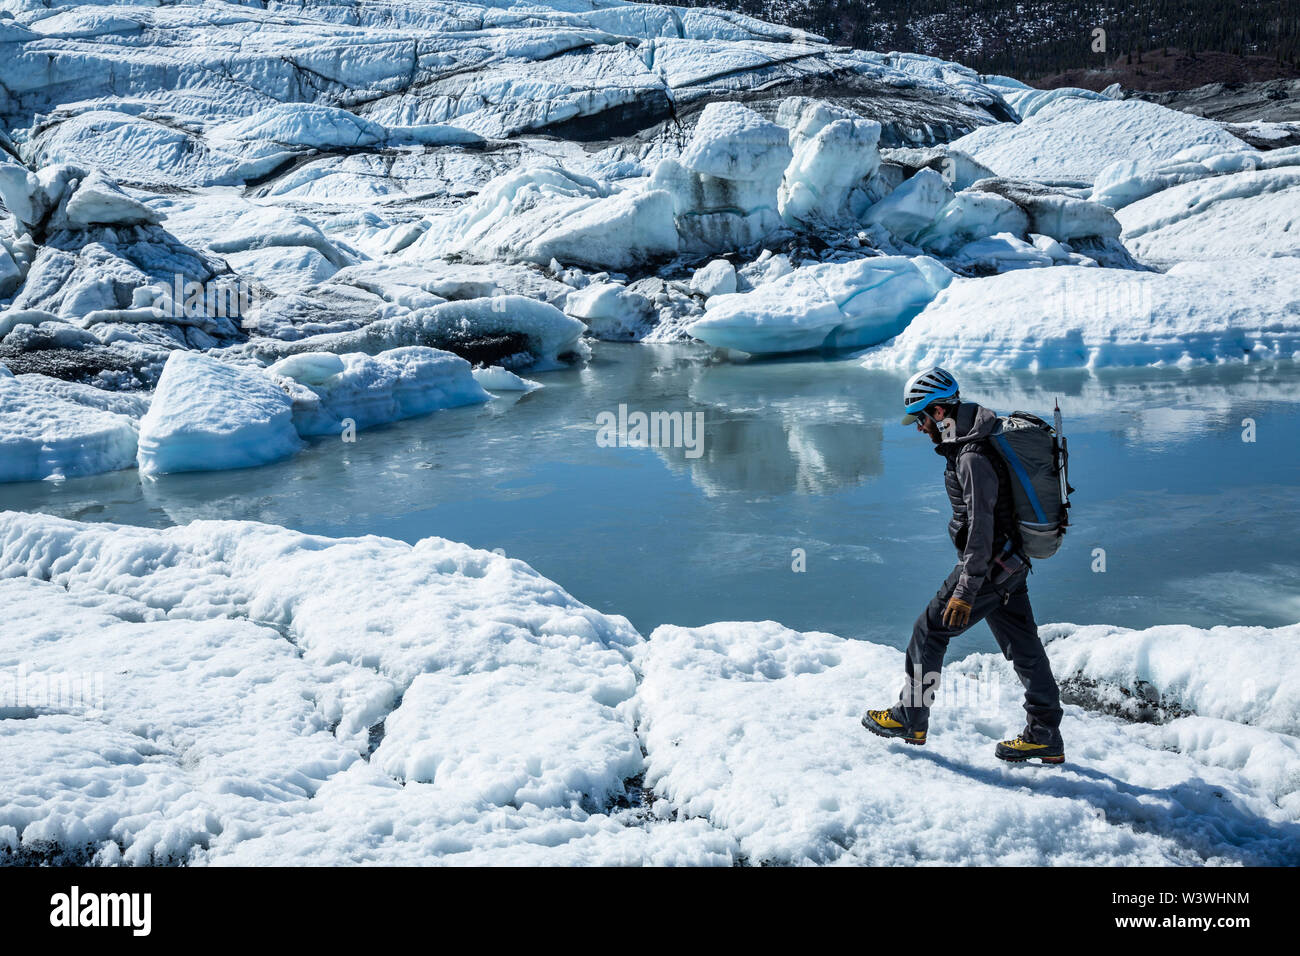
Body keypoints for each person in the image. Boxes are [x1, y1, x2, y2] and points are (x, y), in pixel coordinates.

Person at [861, 367, 1065, 763]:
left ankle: (910, 717)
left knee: (929, 630)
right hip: (1012, 563)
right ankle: (1045, 734)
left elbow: (981, 525)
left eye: (920, 418)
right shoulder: (975, 438)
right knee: (1024, 645)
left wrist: (966, 588)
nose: (919, 429)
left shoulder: (972, 455)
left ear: (939, 412)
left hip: (989, 566)